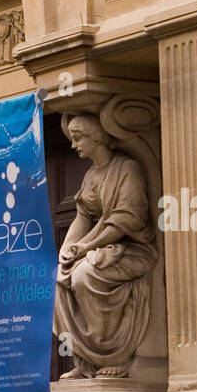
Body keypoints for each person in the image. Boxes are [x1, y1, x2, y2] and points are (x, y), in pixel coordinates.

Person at [54, 113, 158, 378]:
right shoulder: (90, 176)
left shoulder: (127, 168)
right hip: (101, 248)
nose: (74, 145)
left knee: (85, 275)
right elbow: (82, 217)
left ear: (97, 137)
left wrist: (86, 248)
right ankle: (86, 359)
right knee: (55, 279)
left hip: (133, 248)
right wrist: (66, 252)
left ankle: (116, 356)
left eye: (78, 139)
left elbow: (126, 219)